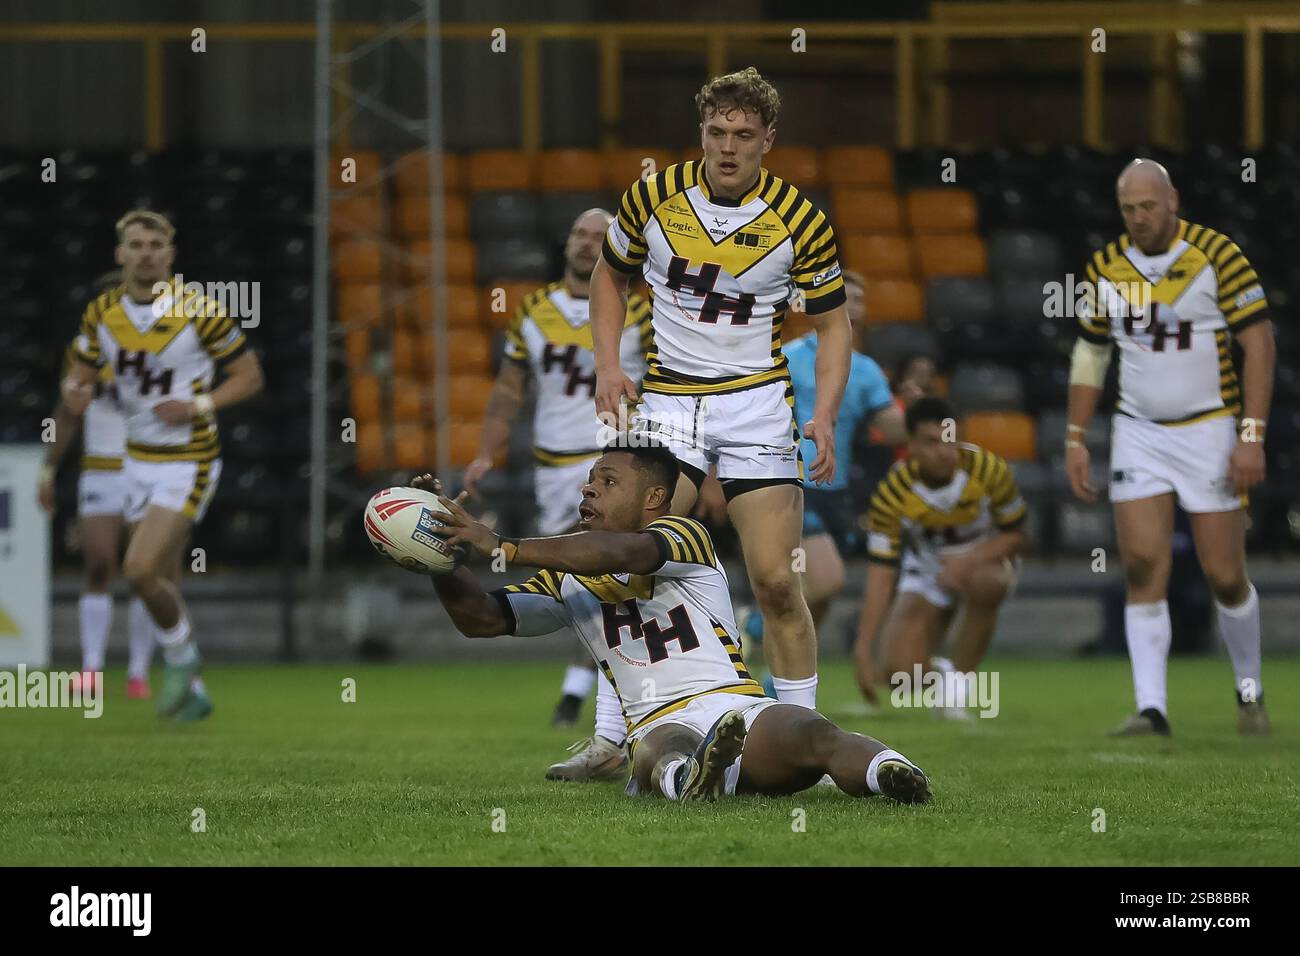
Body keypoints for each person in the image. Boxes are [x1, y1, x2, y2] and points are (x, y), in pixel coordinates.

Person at [418, 443, 931, 805]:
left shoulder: (684, 535)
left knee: (811, 732)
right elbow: (482, 619)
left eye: (608, 481)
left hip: (736, 705)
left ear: (653, 500)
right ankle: (691, 778)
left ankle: (888, 770)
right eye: (590, 480)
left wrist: (506, 546)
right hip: (657, 721)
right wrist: (437, 562)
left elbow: (631, 552)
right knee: (663, 745)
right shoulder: (562, 577)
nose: (589, 490)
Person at [590, 67, 851, 717]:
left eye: (743, 134)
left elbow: (833, 324)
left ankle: (802, 732)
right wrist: (605, 366)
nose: (728, 147)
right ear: (700, 134)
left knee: (775, 582)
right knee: (632, 566)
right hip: (670, 400)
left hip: (756, 403)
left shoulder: (800, 220)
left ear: (769, 139)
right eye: (716, 132)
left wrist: (824, 414)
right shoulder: (652, 195)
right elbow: (608, 274)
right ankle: (609, 731)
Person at [1065, 158, 1273, 737]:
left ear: (1173, 199)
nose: (1139, 218)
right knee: (1141, 565)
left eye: (1148, 206)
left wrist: (1250, 435)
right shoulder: (1106, 266)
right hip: (1139, 430)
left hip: (1210, 427)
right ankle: (1152, 708)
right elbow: (1090, 355)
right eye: (1129, 208)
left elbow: (1258, 344)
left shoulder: (1218, 255)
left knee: (1225, 574)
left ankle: (1249, 692)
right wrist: (1076, 437)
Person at [461, 209, 652, 780]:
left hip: (616, 458)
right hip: (552, 465)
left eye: (601, 237)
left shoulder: (639, 308)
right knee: (580, 583)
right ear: (566, 242)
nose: (588, 243)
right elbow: (507, 389)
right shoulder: (532, 310)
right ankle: (607, 713)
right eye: (580, 234)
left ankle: (593, 710)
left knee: (607, 578)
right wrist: (485, 452)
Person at [61, 210, 265, 721]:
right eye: (136, 243)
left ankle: (181, 657)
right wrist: (75, 392)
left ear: (170, 255)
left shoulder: (201, 310)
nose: (146, 252)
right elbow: (78, 374)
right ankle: (192, 688)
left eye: (156, 244)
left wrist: (198, 406)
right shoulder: (101, 313)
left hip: (189, 459)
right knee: (161, 576)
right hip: (135, 460)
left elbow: (250, 376)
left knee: (138, 569)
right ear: (120, 254)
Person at [740, 270, 906, 680]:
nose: (853, 306)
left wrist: (921, 416)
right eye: (844, 297)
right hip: (793, 483)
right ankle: (756, 628)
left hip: (838, 491)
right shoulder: (790, 357)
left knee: (816, 597)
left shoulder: (867, 371)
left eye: (860, 300)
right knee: (827, 581)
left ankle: (774, 682)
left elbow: (892, 428)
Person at [853, 398, 1027, 713]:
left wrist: (968, 562)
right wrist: (863, 649)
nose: (945, 451)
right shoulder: (893, 491)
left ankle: (961, 685)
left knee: (990, 583)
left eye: (950, 440)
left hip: (983, 560)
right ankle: (941, 675)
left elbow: (1015, 534)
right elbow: (881, 572)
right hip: (926, 568)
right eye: (932, 443)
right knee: (898, 675)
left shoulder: (989, 469)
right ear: (911, 445)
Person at [38, 272, 156, 698]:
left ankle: (139, 671)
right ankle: (91, 668)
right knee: (99, 564)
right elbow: (66, 415)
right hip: (101, 468)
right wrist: (48, 469)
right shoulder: (84, 353)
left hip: (150, 466)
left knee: (143, 570)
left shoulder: (165, 347)